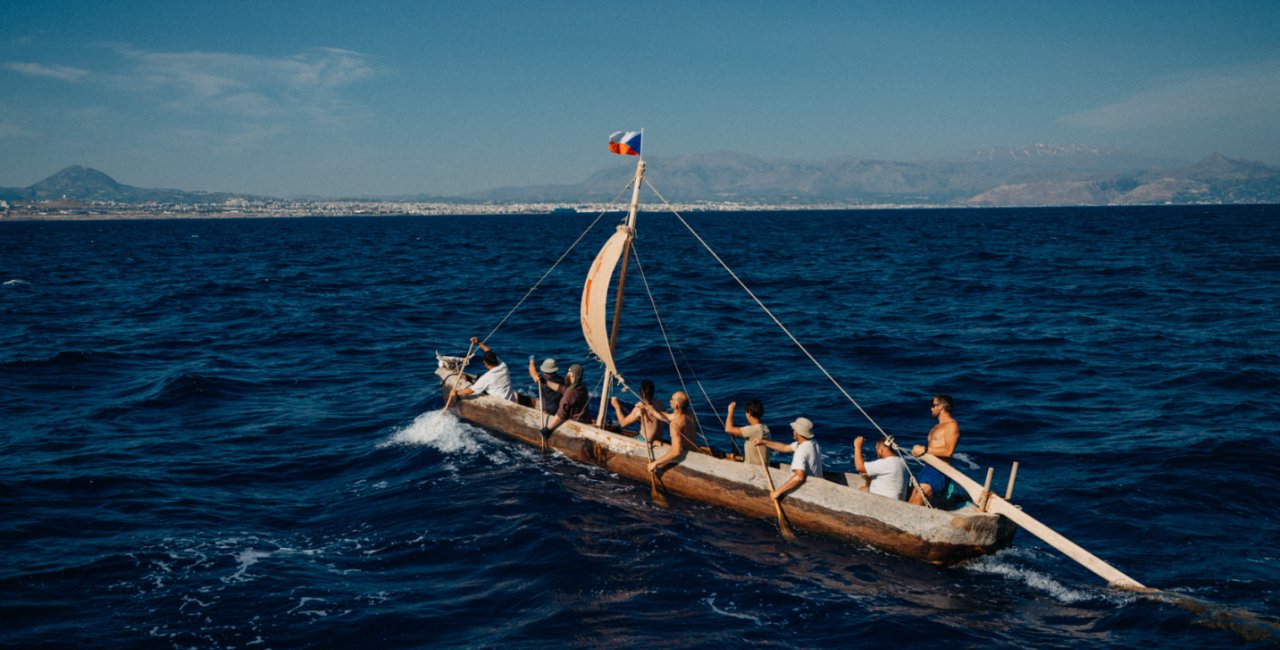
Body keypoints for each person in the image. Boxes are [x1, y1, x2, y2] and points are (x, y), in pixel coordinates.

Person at [908, 394, 960, 507]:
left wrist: (924, 449)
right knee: (914, 494)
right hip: (927, 468)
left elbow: (948, 451)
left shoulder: (952, 425)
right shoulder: (935, 428)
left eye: (933, 405)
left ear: (941, 407)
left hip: (940, 470)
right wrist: (918, 452)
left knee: (920, 495)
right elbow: (932, 450)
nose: (931, 408)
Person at [752, 417, 823, 500]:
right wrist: (763, 442)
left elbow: (799, 477)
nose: (792, 432)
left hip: (809, 491)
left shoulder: (801, 450)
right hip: (817, 484)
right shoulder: (813, 443)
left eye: (793, 430)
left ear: (797, 433)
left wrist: (777, 492)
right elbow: (784, 447)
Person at [644, 391, 701, 474]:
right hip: (693, 449)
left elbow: (676, 452)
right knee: (658, 442)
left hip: (684, 454)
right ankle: (663, 445)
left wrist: (655, 463)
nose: (670, 400)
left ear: (676, 405)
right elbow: (668, 417)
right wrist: (652, 410)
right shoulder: (689, 412)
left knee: (671, 449)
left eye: (672, 399)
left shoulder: (675, 425)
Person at [452, 337, 516, 401]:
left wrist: (456, 393)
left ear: (484, 363)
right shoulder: (503, 366)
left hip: (500, 403)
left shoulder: (487, 377)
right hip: (511, 400)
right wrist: (478, 342)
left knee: (478, 387)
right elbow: (488, 350)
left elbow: (471, 391)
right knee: (479, 378)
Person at [539, 363, 591, 438]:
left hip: (576, 427)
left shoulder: (570, 393)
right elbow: (561, 389)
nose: (566, 374)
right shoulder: (582, 387)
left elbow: (561, 415)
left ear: (571, 375)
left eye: (568, 372)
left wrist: (548, 429)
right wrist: (546, 382)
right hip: (586, 421)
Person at [853, 436, 908, 500]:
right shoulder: (902, 462)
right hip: (896, 499)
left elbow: (859, 467)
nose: (877, 453)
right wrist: (868, 480)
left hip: (884, 501)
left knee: (860, 490)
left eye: (876, 448)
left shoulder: (887, 463)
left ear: (881, 450)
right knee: (864, 488)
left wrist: (858, 447)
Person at [610, 379, 662, 444]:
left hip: (645, 442)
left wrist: (616, 406)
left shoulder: (640, 407)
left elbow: (623, 424)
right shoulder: (660, 404)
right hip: (657, 439)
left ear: (642, 393)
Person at [725, 399, 770, 466]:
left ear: (748, 414)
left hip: (752, 469)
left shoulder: (754, 430)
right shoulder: (765, 428)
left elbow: (728, 429)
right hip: (763, 467)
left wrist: (730, 411)